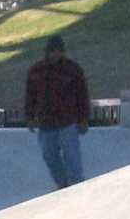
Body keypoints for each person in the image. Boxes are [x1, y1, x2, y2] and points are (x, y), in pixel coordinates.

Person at [25, 35, 90, 190]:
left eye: (59, 51)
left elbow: (82, 95)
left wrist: (83, 119)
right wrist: (29, 117)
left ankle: (77, 184)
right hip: (46, 123)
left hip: (67, 122)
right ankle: (62, 184)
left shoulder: (72, 70)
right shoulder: (37, 71)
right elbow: (30, 96)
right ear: (47, 52)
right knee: (49, 157)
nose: (56, 55)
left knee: (72, 156)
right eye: (53, 52)